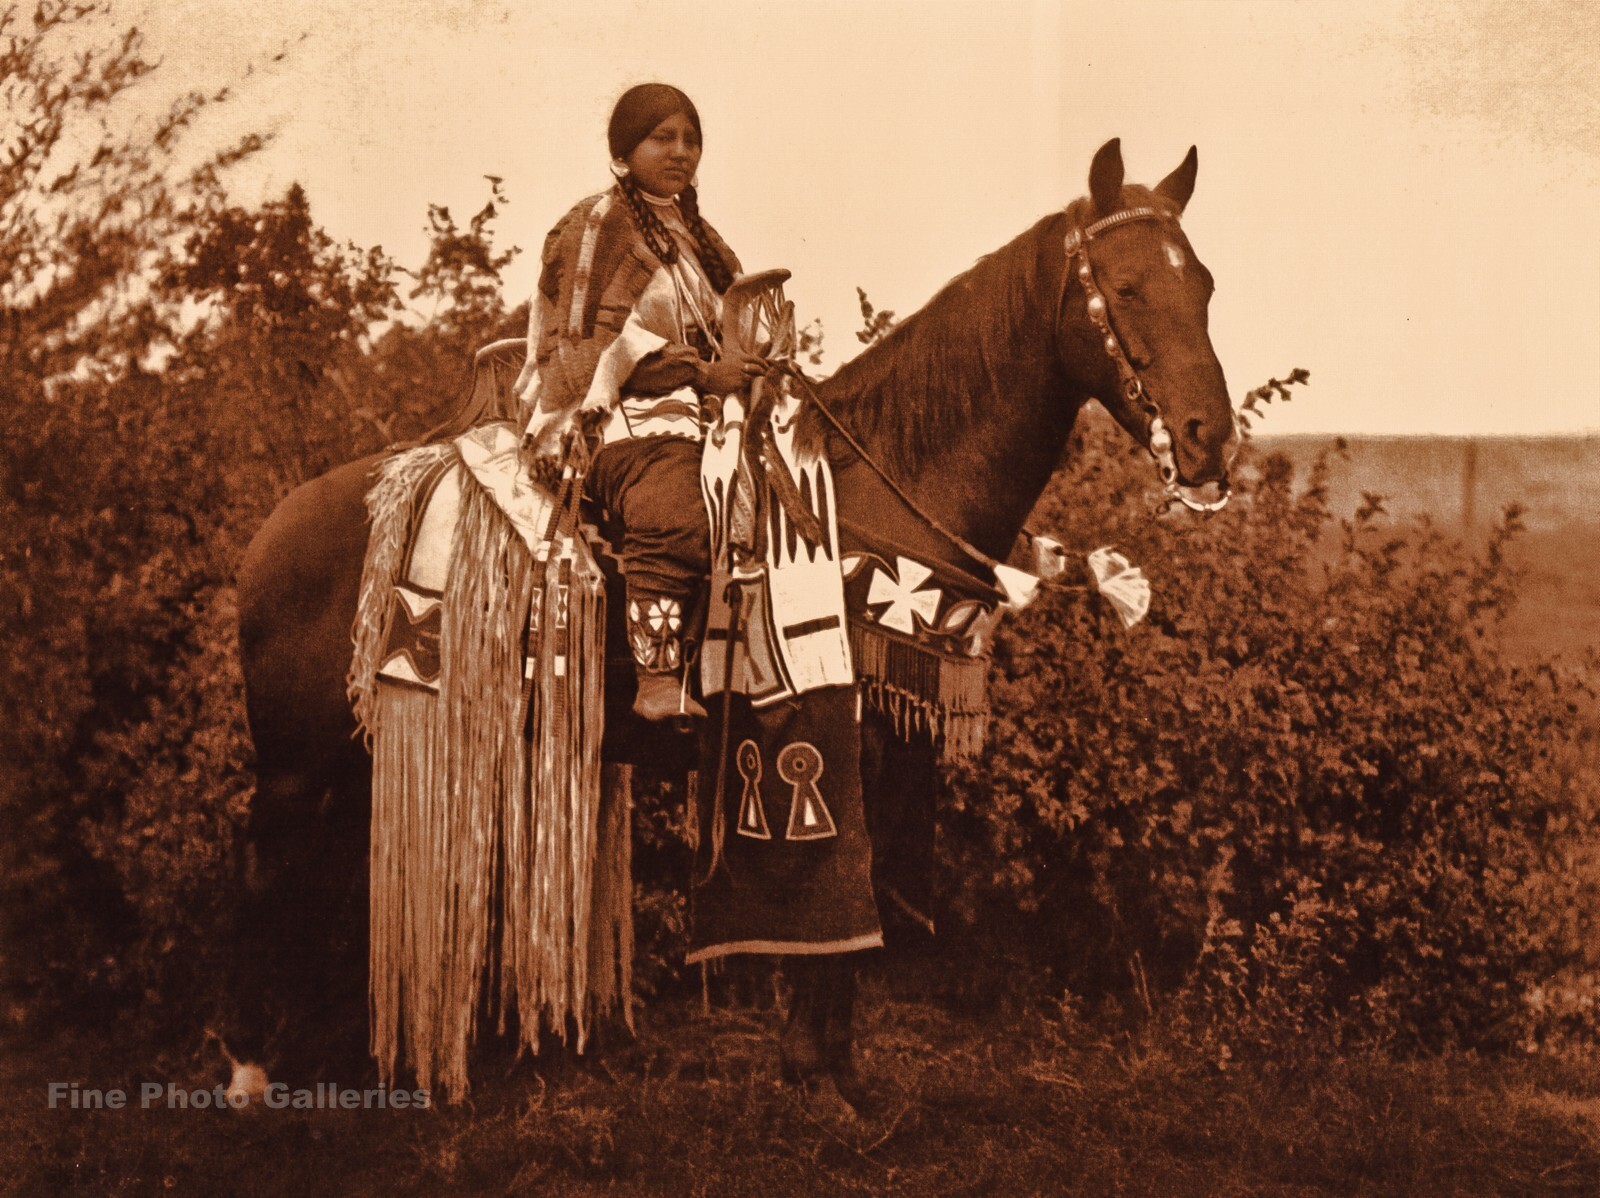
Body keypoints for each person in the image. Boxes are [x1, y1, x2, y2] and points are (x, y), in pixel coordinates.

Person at [514, 83, 767, 721]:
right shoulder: (597, 225)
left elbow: (734, 336)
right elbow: (577, 354)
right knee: (678, 505)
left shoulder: (706, 242)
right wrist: (699, 373)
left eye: (690, 138)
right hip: (600, 424)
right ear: (624, 152)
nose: (680, 151)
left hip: (702, 421)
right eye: (662, 137)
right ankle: (657, 676)